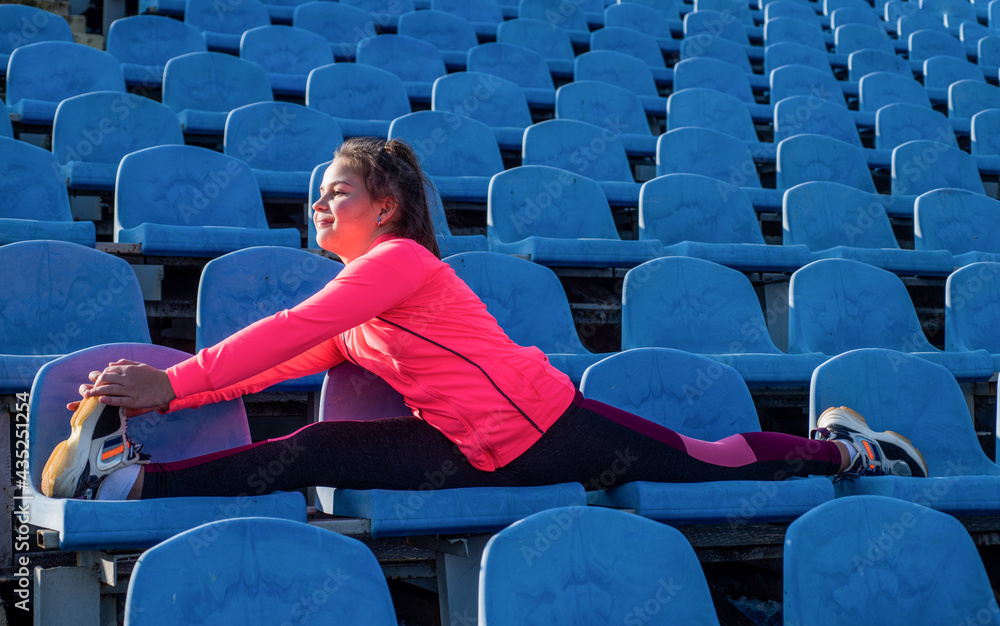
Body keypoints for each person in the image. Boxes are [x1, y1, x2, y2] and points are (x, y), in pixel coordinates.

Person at [40, 137, 928, 502]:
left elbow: (289, 328)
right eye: (315, 195)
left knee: (707, 461)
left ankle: (847, 450)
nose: (318, 205)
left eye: (337, 192)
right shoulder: (359, 305)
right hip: (465, 448)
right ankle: (133, 482)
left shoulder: (398, 263)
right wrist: (162, 396)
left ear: (386, 208)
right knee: (308, 448)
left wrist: (169, 380)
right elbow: (273, 363)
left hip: (549, 428)